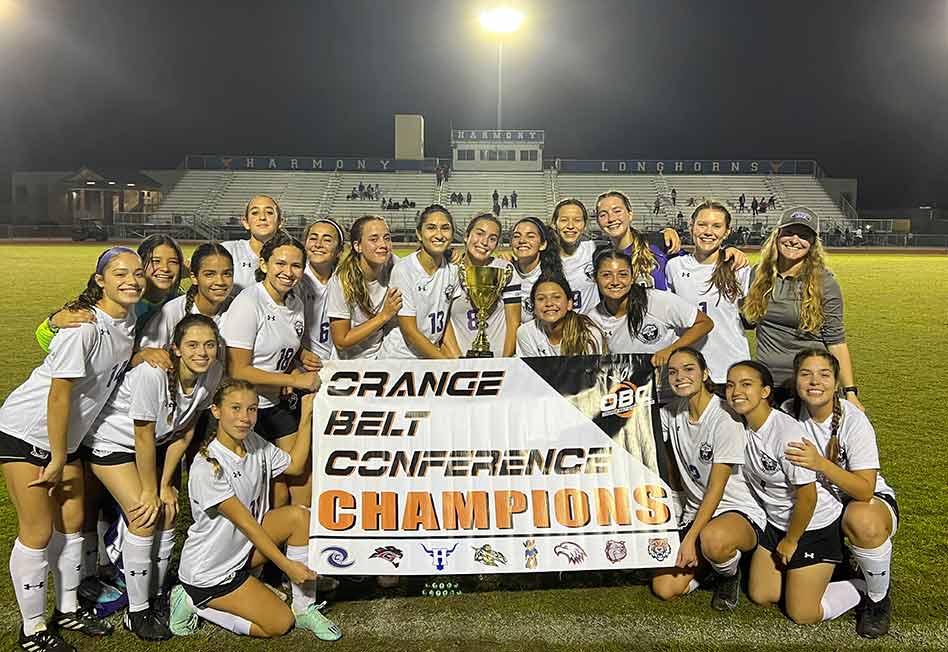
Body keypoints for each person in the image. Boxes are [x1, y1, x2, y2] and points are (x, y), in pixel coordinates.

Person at [0, 247, 144, 652]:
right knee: (38, 530)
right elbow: (59, 397)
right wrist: (60, 456)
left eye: (136, 272)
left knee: (74, 521)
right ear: (100, 281)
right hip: (28, 432)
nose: (131, 279)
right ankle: (32, 631)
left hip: (63, 440)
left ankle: (66, 610)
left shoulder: (127, 319)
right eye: (119, 273)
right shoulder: (82, 327)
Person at [83, 315, 224, 640]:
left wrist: (164, 485)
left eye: (209, 345)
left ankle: (156, 592)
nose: (201, 352)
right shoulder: (153, 374)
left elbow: (185, 431)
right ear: (175, 348)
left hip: (155, 445)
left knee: (169, 510)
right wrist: (149, 490)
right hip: (112, 444)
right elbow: (143, 435)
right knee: (144, 515)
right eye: (192, 345)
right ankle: (137, 611)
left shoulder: (213, 372)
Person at [170, 380, 341, 641]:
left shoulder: (253, 442)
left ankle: (304, 609)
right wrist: (287, 565)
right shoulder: (207, 467)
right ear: (216, 411)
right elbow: (248, 524)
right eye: (235, 408)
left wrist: (306, 415)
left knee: (299, 517)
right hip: (211, 571)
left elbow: (294, 467)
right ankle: (193, 600)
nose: (244, 418)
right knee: (279, 623)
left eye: (252, 409)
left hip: (240, 553)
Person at [725, 361, 865, 625]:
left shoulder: (785, 433)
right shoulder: (740, 424)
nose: (736, 392)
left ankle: (862, 585)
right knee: (762, 594)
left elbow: (808, 496)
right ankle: (815, 572)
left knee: (802, 612)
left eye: (746, 385)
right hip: (776, 523)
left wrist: (791, 541)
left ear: (766, 391)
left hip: (812, 525)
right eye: (731, 385)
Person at [783, 349, 898, 638]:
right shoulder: (785, 413)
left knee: (862, 520)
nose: (814, 382)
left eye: (824, 375)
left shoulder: (853, 420)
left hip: (862, 504)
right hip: (817, 509)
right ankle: (842, 564)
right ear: (795, 380)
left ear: (836, 384)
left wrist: (820, 464)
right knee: (769, 593)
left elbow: (864, 489)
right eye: (806, 374)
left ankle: (877, 598)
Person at [652, 348, 766, 610]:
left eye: (688, 369)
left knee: (713, 540)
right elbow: (635, 428)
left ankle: (729, 573)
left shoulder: (725, 417)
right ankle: (713, 567)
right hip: (697, 512)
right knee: (665, 588)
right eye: (673, 372)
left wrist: (690, 538)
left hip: (734, 510)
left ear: (705, 374)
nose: (680, 376)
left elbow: (716, 487)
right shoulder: (673, 412)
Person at [220, 232, 319, 507]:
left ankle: (297, 546)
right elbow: (237, 370)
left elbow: (278, 338)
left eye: (296, 266)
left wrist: (299, 354)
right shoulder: (249, 303)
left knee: (300, 479)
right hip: (246, 406)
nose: (288, 272)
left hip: (274, 402)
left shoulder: (295, 302)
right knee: (271, 492)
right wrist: (293, 380)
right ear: (263, 264)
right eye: (280, 264)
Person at [742, 207, 862, 409]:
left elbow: (836, 341)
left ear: (813, 243)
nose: (794, 240)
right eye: (788, 232)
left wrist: (850, 391)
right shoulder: (759, 275)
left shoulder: (825, 283)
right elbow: (748, 321)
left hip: (808, 383)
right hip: (766, 383)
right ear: (777, 235)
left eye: (804, 235)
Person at [666, 202, 751, 389]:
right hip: (689, 370)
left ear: (727, 232)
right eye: (702, 224)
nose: (708, 231)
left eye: (716, 226)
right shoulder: (674, 267)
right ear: (691, 226)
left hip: (730, 369)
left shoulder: (738, 267)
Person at [589, 250, 713, 368]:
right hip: (627, 386)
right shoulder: (592, 320)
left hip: (666, 383)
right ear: (595, 278)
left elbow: (705, 323)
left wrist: (670, 350)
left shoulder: (657, 300)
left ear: (632, 278)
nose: (615, 281)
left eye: (622, 274)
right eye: (606, 275)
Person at [380, 204, 458, 359]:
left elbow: (444, 319)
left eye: (445, 228)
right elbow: (410, 332)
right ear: (419, 234)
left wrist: (457, 359)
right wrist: (445, 363)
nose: (439, 234)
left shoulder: (453, 269)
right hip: (400, 357)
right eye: (431, 228)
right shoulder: (404, 270)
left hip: (429, 355)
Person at [443, 213, 521, 357]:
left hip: (499, 359)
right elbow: (444, 323)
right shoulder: (449, 270)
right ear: (466, 236)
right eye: (479, 234)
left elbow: (513, 323)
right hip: (458, 358)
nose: (484, 242)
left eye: (492, 239)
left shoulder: (505, 270)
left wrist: (504, 361)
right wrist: (458, 360)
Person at [327, 215, 400, 360]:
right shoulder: (341, 280)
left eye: (387, 238)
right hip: (349, 362)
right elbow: (341, 341)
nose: (383, 245)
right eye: (373, 239)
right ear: (357, 246)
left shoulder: (394, 264)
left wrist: (448, 255)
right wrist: (384, 315)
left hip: (381, 357)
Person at [138, 243, 234, 349]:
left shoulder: (239, 308)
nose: (220, 282)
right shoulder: (172, 311)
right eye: (210, 274)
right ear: (194, 277)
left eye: (227, 274)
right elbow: (147, 354)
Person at [594, 190, 688, 290]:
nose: (611, 218)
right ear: (598, 222)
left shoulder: (659, 243)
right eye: (603, 215)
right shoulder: (600, 256)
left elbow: (695, 266)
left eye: (617, 211)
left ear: (630, 214)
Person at [516, 273, 605, 356]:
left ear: (569, 304)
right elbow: (530, 371)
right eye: (541, 299)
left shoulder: (588, 335)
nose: (549, 303)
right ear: (533, 306)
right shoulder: (525, 333)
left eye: (556, 297)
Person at [298, 219, 345, 362]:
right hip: (302, 364)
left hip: (338, 364)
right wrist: (300, 354)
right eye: (313, 238)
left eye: (327, 240)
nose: (318, 244)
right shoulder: (295, 280)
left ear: (339, 251)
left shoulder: (345, 281)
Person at [222, 195, 283, 295]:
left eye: (269, 212)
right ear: (246, 222)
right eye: (255, 213)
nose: (262, 217)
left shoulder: (290, 256)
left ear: (280, 222)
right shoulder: (228, 250)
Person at [550, 199, 599, 315]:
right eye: (564, 220)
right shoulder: (543, 256)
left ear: (585, 225)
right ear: (554, 223)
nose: (570, 226)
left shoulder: (595, 250)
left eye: (577, 220)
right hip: (556, 328)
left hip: (589, 327)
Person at [510, 217, 562, 324]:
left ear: (542, 245)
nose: (522, 241)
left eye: (530, 236)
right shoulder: (505, 272)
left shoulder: (552, 276)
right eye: (516, 236)